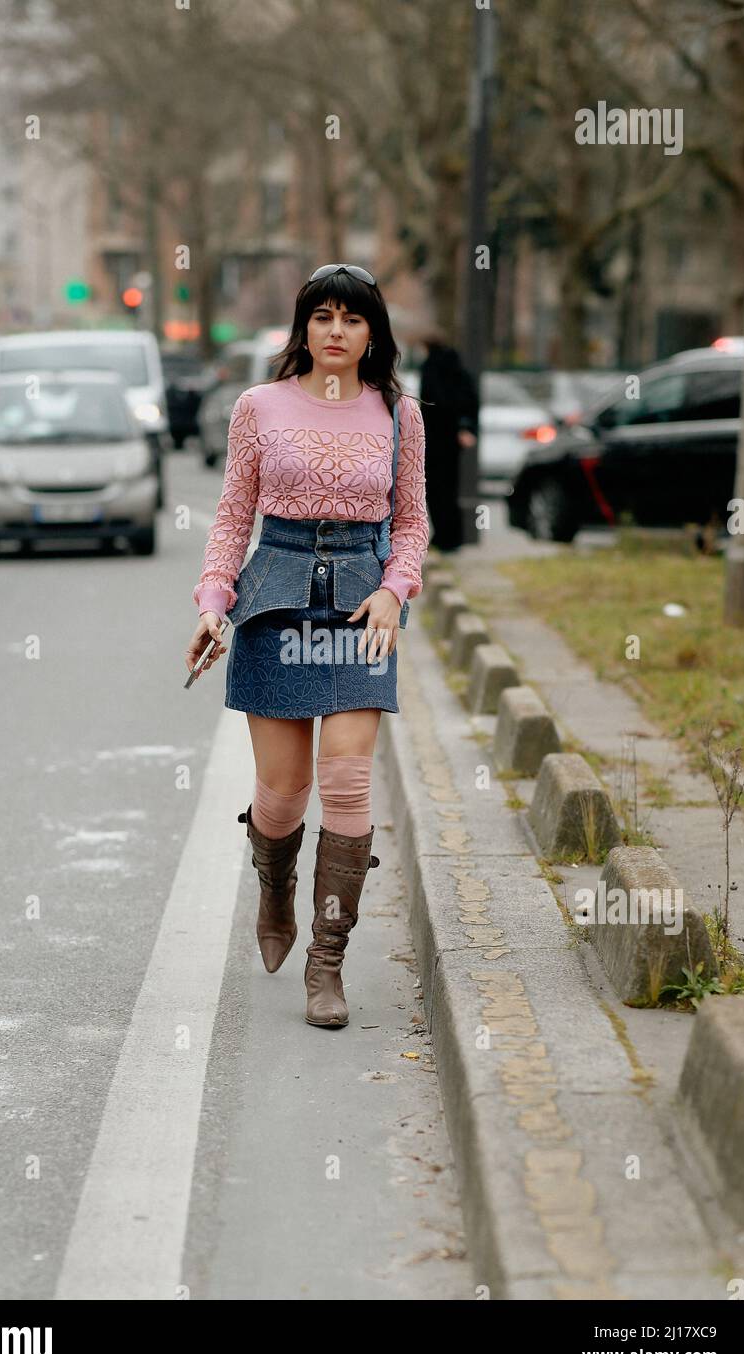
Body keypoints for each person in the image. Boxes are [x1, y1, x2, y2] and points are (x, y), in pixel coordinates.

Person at [186, 264, 429, 1029]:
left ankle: (327, 962)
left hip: (361, 606)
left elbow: (414, 523)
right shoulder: (258, 406)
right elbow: (232, 517)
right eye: (321, 316)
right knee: (284, 794)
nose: (335, 330)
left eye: (351, 319)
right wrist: (212, 601)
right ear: (304, 329)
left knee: (349, 784)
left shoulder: (399, 413)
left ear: (371, 334)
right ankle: (274, 882)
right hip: (276, 597)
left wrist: (395, 587)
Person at [418, 328, 478, 552]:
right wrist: (465, 426)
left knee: (436, 488)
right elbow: (468, 399)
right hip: (452, 439)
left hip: (434, 438)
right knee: (450, 488)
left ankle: (445, 536)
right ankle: (453, 535)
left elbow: (432, 401)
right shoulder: (457, 368)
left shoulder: (431, 368)